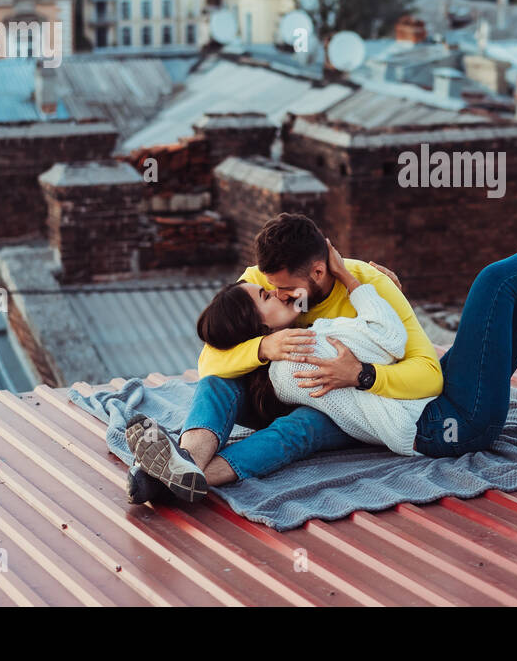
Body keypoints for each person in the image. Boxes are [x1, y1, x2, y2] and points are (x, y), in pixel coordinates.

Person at [127, 151, 517, 501]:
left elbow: (423, 371)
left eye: (277, 288)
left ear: (316, 270)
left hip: (437, 401)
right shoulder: (290, 332)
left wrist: (360, 359)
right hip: (447, 425)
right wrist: (276, 347)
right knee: (494, 282)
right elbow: (214, 358)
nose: (270, 290)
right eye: (265, 292)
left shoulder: (341, 304)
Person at [125, 211, 442, 504]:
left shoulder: (371, 285)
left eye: (286, 289)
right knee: (215, 385)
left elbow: (429, 375)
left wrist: (361, 374)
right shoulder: (263, 280)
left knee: (300, 427)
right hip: (272, 395)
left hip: (338, 404)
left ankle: (182, 480)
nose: (275, 294)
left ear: (318, 272)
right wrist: (263, 348)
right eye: (269, 287)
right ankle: (187, 459)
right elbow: (211, 360)